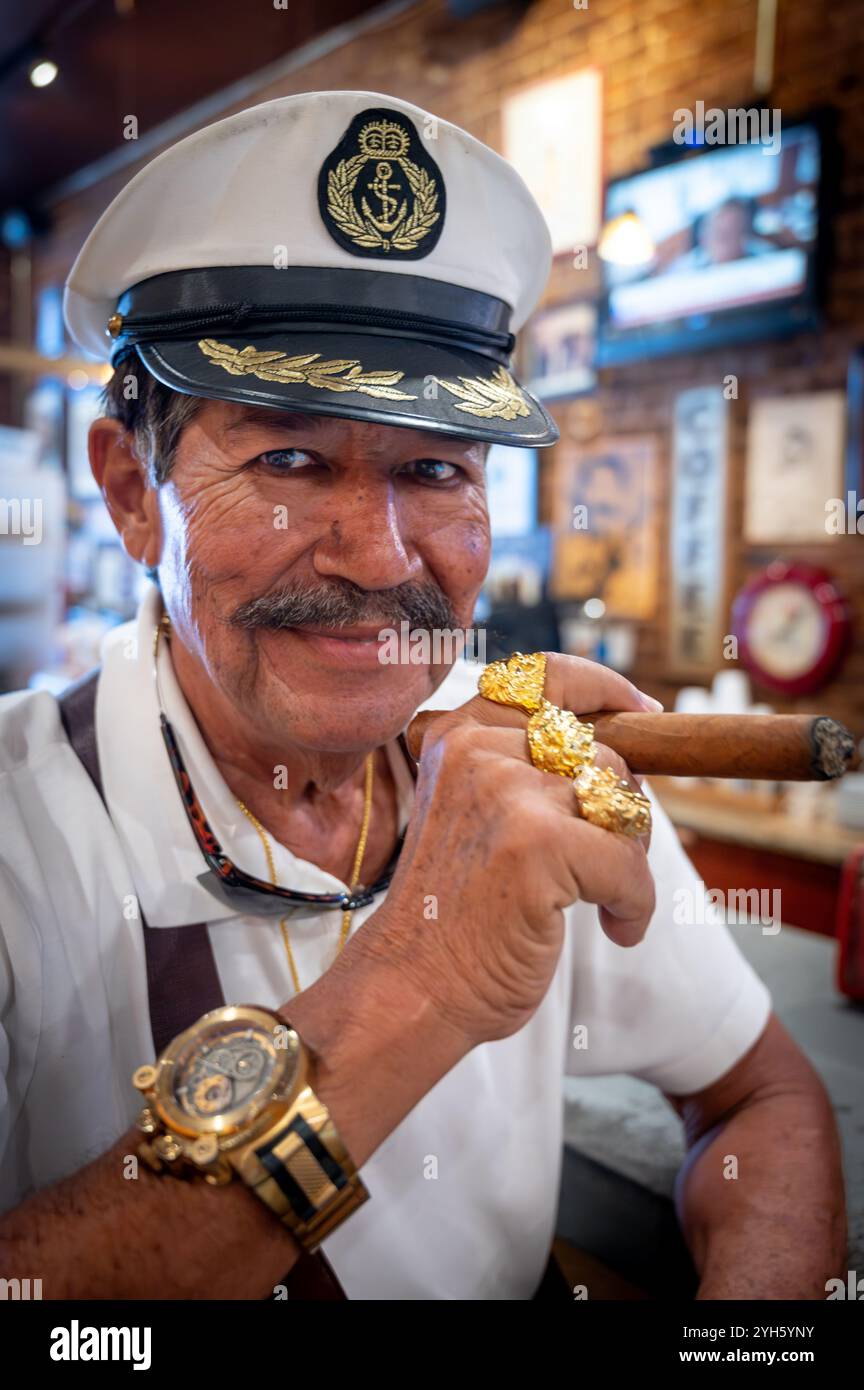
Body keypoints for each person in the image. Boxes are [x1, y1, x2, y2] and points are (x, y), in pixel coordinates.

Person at [0, 91, 844, 1300]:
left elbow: (760, 1092)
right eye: (288, 458)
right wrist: (425, 979)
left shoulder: (541, 766)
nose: (383, 557)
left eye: (435, 469)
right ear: (135, 491)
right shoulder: (18, 827)